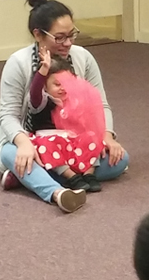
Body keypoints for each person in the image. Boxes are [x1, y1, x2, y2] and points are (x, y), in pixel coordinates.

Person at [0, 0, 129, 213]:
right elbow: (7, 116)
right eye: (59, 37)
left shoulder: (83, 57)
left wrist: (107, 136)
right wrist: (24, 143)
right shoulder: (18, 63)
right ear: (38, 34)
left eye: (72, 35)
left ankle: (28, 177)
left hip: (74, 144)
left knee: (120, 159)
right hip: (31, 142)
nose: (68, 43)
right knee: (10, 154)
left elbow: (101, 105)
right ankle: (57, 193)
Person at [31, 55, 105, 189]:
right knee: (47, 145)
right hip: (51, 140)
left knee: (93, 137)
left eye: (66, 84)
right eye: (57, 84)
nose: (63, 88)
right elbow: (34, 92)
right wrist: (43, 71)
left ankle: (89, 174)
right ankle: (71, 177)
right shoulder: (43, 102)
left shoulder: (74, 100)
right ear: (45, 87)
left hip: (72, 141)